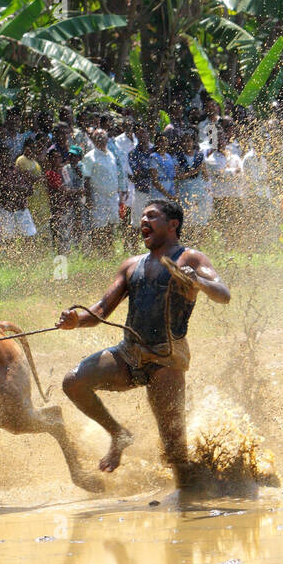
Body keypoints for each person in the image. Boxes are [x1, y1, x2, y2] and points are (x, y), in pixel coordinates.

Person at [56, 199, 229, 486]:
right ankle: (118, 434)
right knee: (73, 381)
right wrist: (76, 320)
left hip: (167, 358)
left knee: (173, 450)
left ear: (173, 224)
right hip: (129, 353)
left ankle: (191, 498)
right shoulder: (131, 265)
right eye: (142, 217)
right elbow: (99, 311)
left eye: (152, 216)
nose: (143, 222)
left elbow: (223, 293)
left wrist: (198, 282)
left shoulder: (191, 259)